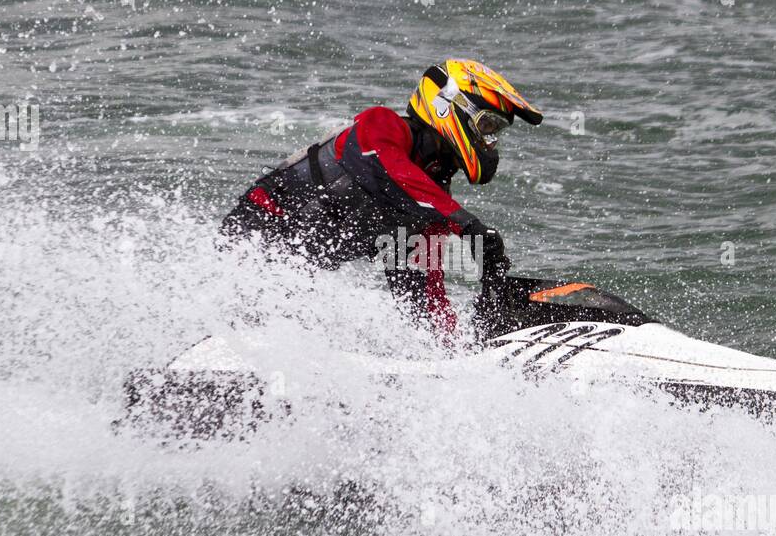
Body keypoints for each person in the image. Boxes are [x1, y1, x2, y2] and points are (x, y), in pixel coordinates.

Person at [221, 59, 543, 338]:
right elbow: (388, 168)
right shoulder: (381, 125)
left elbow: (425, 306)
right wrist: (467, 225)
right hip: (251, 238)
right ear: (447, 105)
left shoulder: (429, 207)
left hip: (285, 278)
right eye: (486, 125)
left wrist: (463, 348)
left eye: (495, 133)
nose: (489, 141)